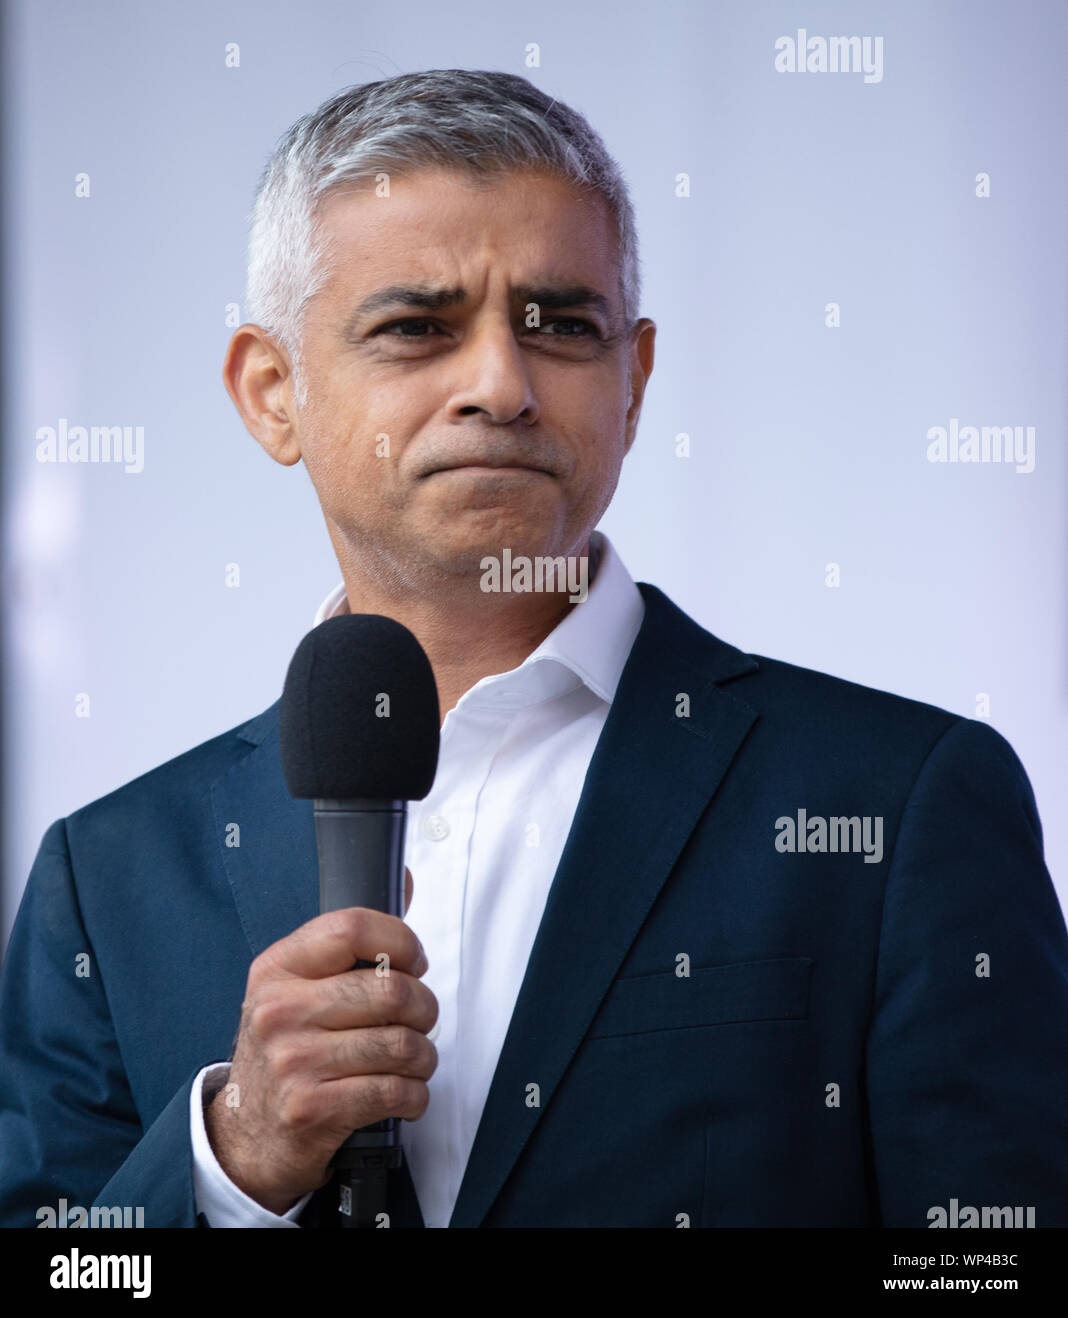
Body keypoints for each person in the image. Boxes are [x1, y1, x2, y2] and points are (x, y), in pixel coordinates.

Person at [1, 69, 1066, 1229]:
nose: (502, 386)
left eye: (562, 324)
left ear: (635, 381)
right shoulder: (105, 880)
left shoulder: (901, 802)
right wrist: (234, 1159)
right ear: (273, 394)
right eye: (417, 327)